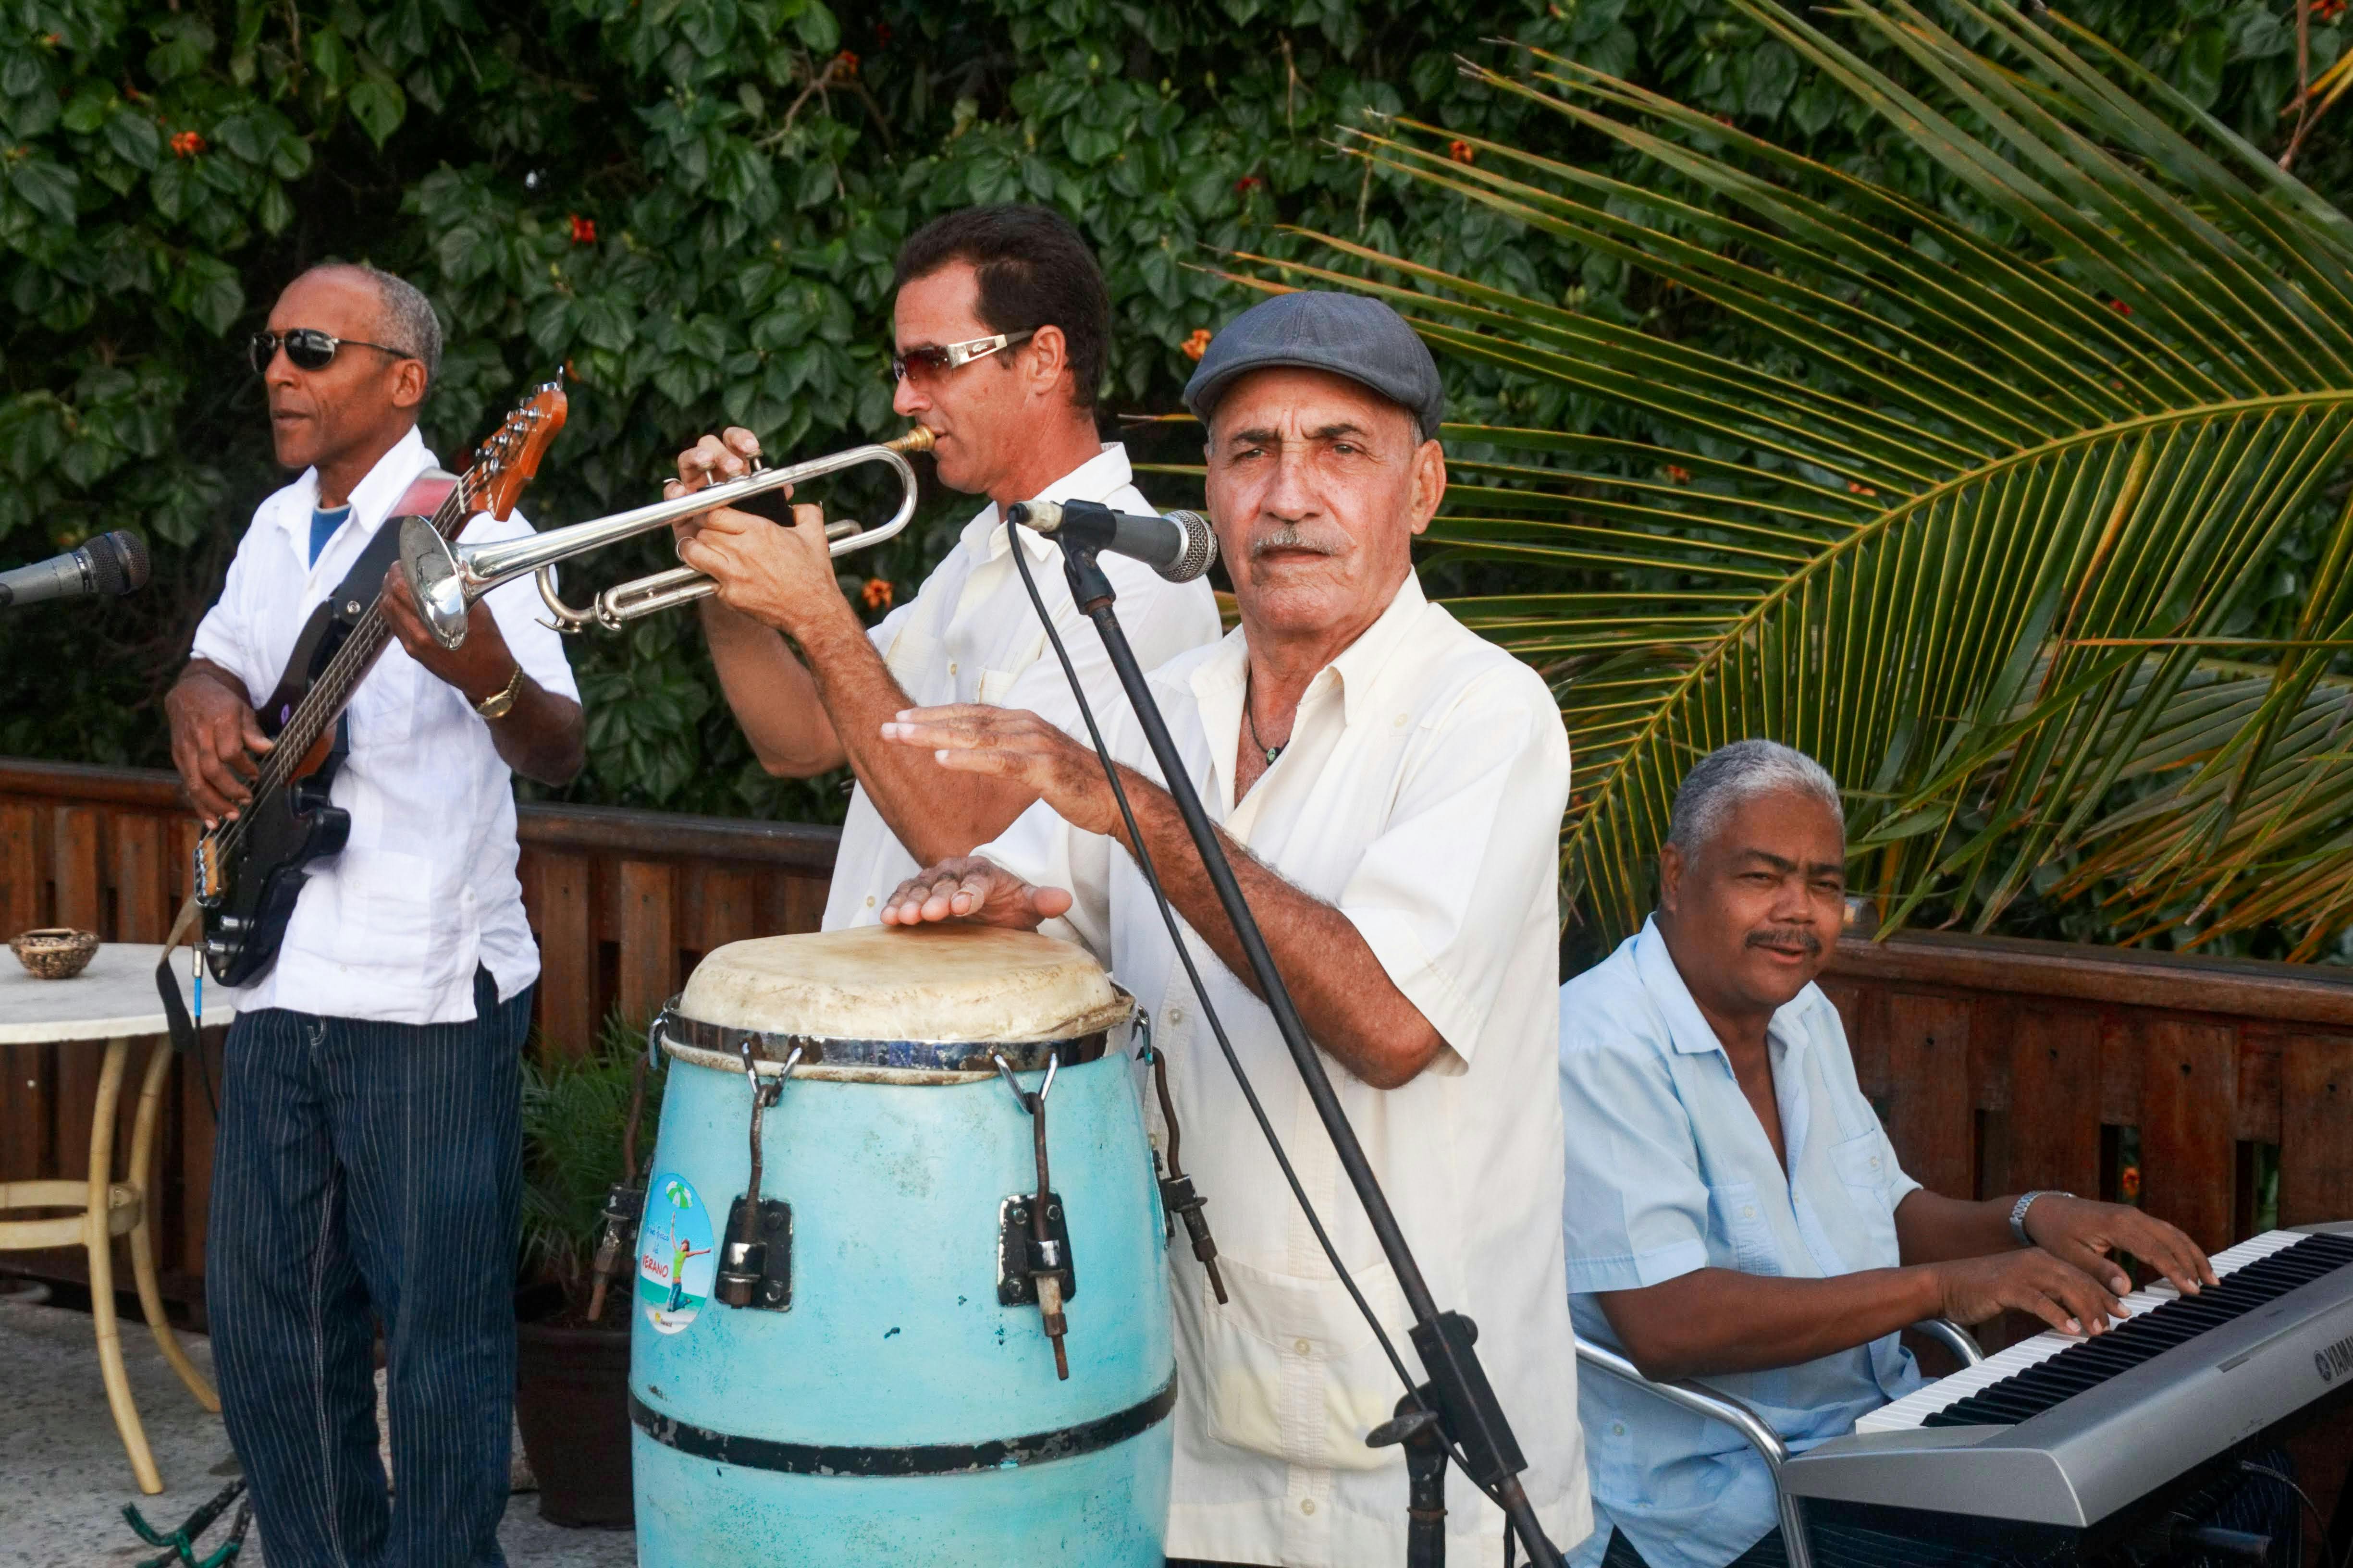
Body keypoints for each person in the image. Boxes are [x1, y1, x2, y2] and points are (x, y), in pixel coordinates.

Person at [872, 291, 1589, 1566]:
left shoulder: (1487, 713)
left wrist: (1125, 807)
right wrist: (987, 917)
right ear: (1208, 490)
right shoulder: (1163, 701)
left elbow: (1388, 1023)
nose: (1289, 495)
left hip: (1405, 1463)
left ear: (1423, 489)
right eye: (1251, 451)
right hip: (1173, 1426)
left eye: (1341, 449)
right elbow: (1060, 923)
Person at [1555, 739, 2252, 1568]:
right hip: (1722, 1500)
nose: (1798, 911)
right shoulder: (1598, 1044)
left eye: (1824, 885)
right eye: (1761, 877)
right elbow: (1668, 1326)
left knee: (2229, 1488)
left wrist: (2032, 1218)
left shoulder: (1803, 1015)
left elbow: (1885, 1211)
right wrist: (1946, 1287)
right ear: (1676, 876)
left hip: (1876, 1438)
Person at [165, 262, 584, 1567]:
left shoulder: (481, 529)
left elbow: (559, 746)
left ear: (405, 381)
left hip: (423, 988)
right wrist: (196, 695)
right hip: (278, 968)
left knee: (442, 1339)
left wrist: (485, 672)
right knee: (270, 1335)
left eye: (310, 348)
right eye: (271, 348)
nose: (277, 372)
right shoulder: (276, 524)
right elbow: (222, 660)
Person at [661, 204, 1220, 927]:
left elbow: (965, 842)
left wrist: (818, 616)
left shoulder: (1137, 582)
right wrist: (722, 566)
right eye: (901, 368)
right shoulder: (977, 554)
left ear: (1043, 360)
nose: (903, 398)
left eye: (933, 363)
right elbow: (797, 741)